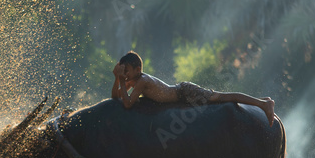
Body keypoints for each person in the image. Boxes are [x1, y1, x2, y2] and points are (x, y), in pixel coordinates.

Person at [111, 51, 276, 125]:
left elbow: (127, 103)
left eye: (126, 70)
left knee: (222, 98)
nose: (124, 74)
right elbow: (116, 97)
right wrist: (117, 80)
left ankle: (263, 104)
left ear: (137, 69)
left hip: (184, 93)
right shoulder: (132, 79)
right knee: (222, 99)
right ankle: (261, 101)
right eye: (122, 70)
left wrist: (120, 79)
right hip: (181, 95)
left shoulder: (141, 81)